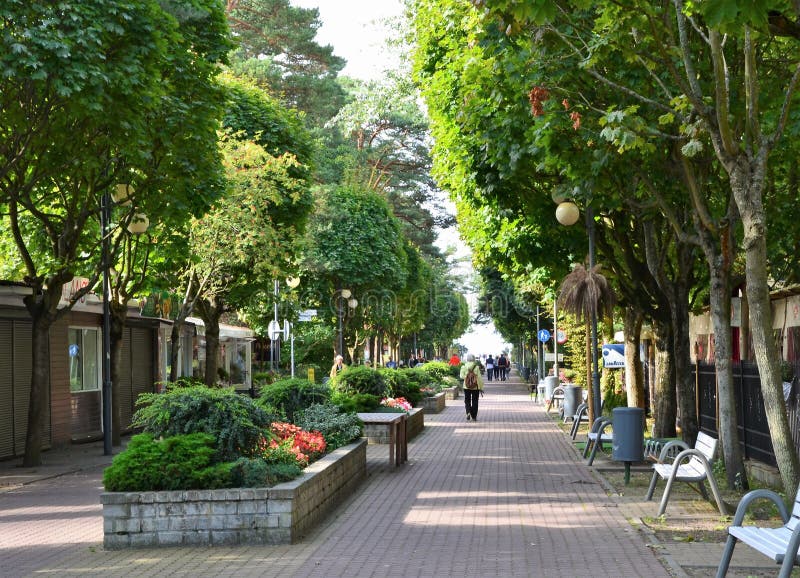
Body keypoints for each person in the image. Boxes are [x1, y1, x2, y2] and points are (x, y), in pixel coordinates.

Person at [459, 354, 485, 421]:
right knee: (475, 401)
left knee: (467, 400)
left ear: (467, 359)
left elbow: (461, 376)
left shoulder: (463, 366)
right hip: (475, 386)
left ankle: (468, 412)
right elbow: (479, 378)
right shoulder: (476, 367)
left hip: (466, 386)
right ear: (473, 359)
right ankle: (474, 416)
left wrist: (467, 378)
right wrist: (481, 387)